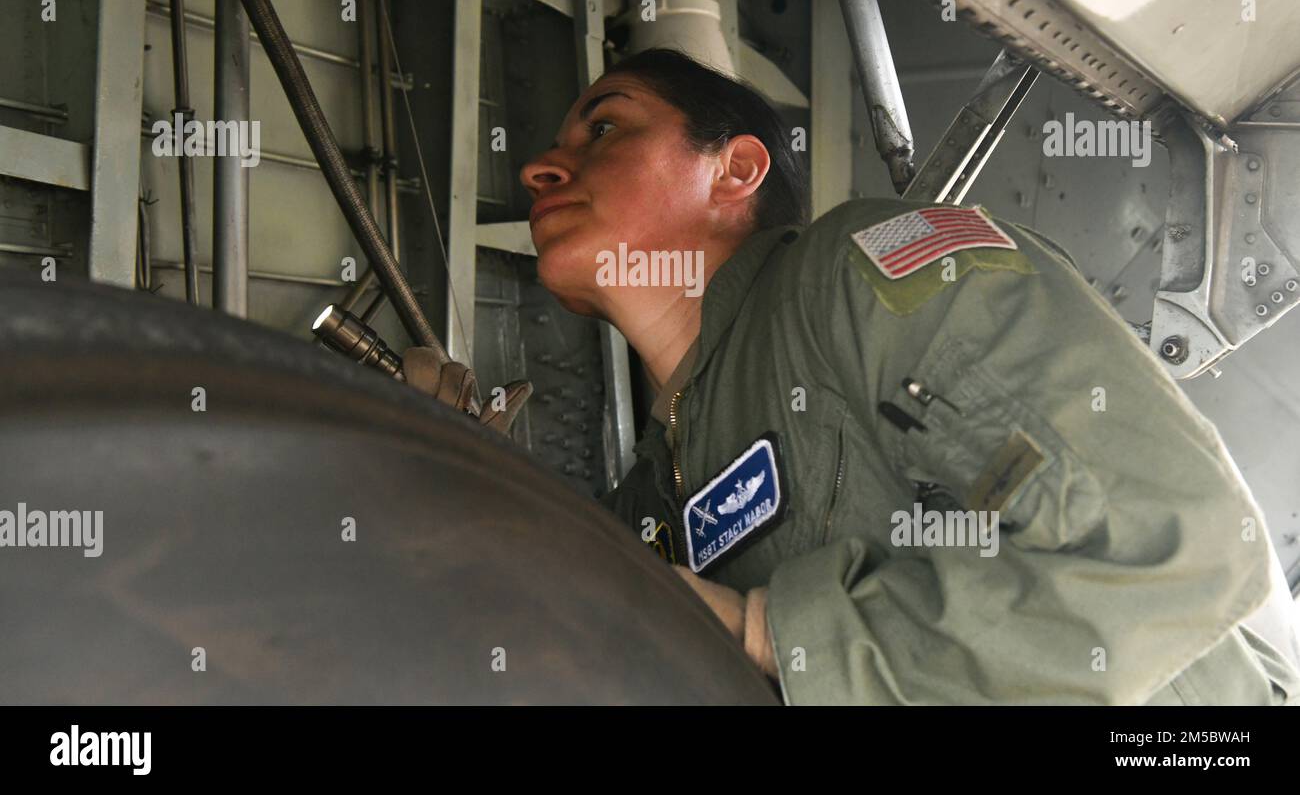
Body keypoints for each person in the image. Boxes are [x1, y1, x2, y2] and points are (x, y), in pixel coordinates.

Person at [462, 47, 1300, 704]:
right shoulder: (648, 499)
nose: (541, 166)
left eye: (604, 129)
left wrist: (765, 634)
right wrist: (444, 457)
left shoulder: (855, 276)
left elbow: (1174, 545)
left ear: (737, 169)